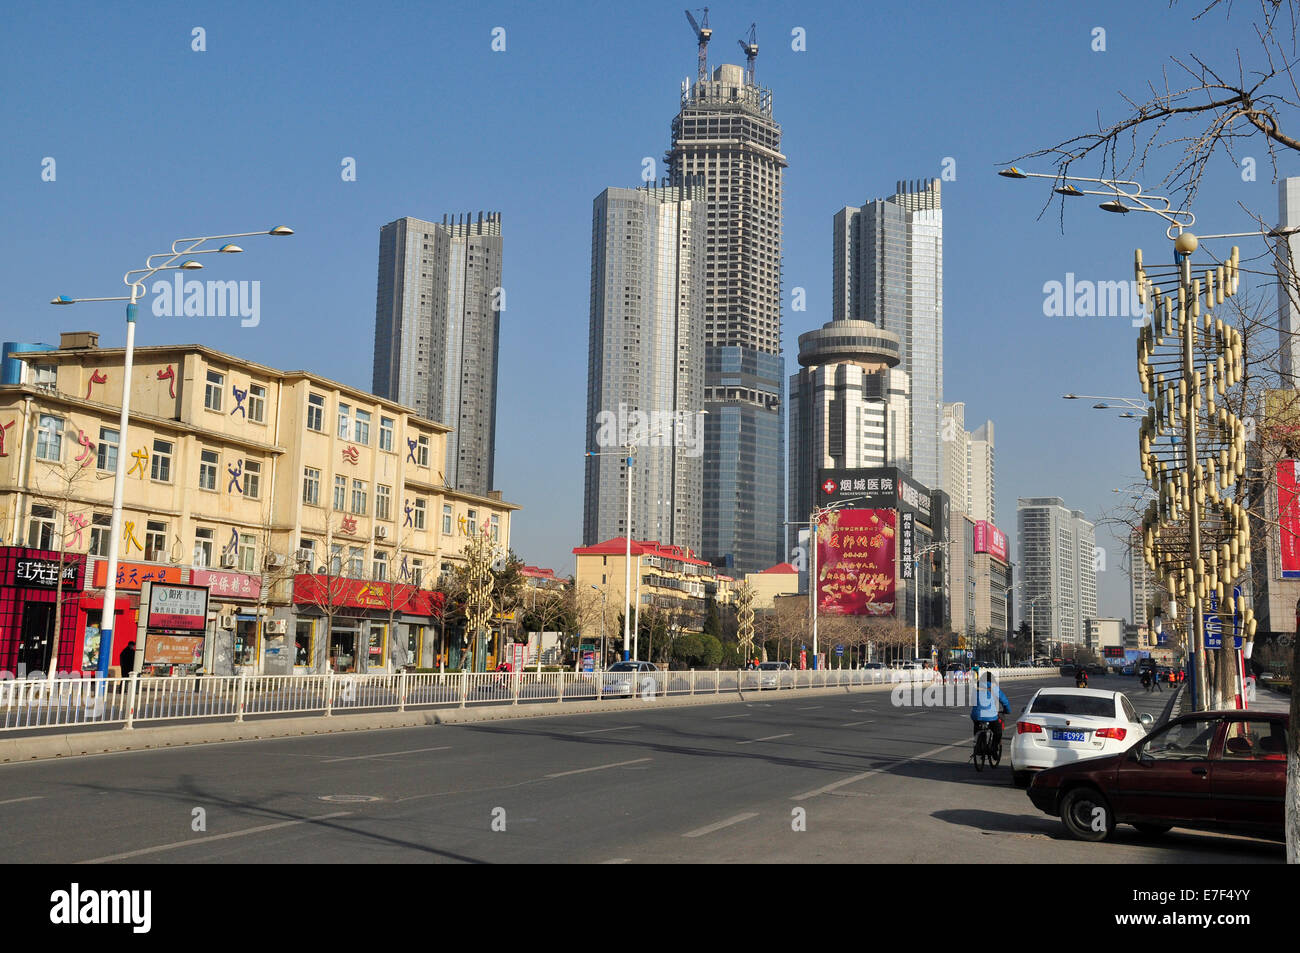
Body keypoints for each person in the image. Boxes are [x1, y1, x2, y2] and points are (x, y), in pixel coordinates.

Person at [970, 671, 1011, 753]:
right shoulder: (994, 687)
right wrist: (1007, 710)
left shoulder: (976, 687)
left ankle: (977, 743)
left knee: (977, 726)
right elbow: (1004, 701)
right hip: (991, 716)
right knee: (998, 731)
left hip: (976, 715)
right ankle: (994, 747)